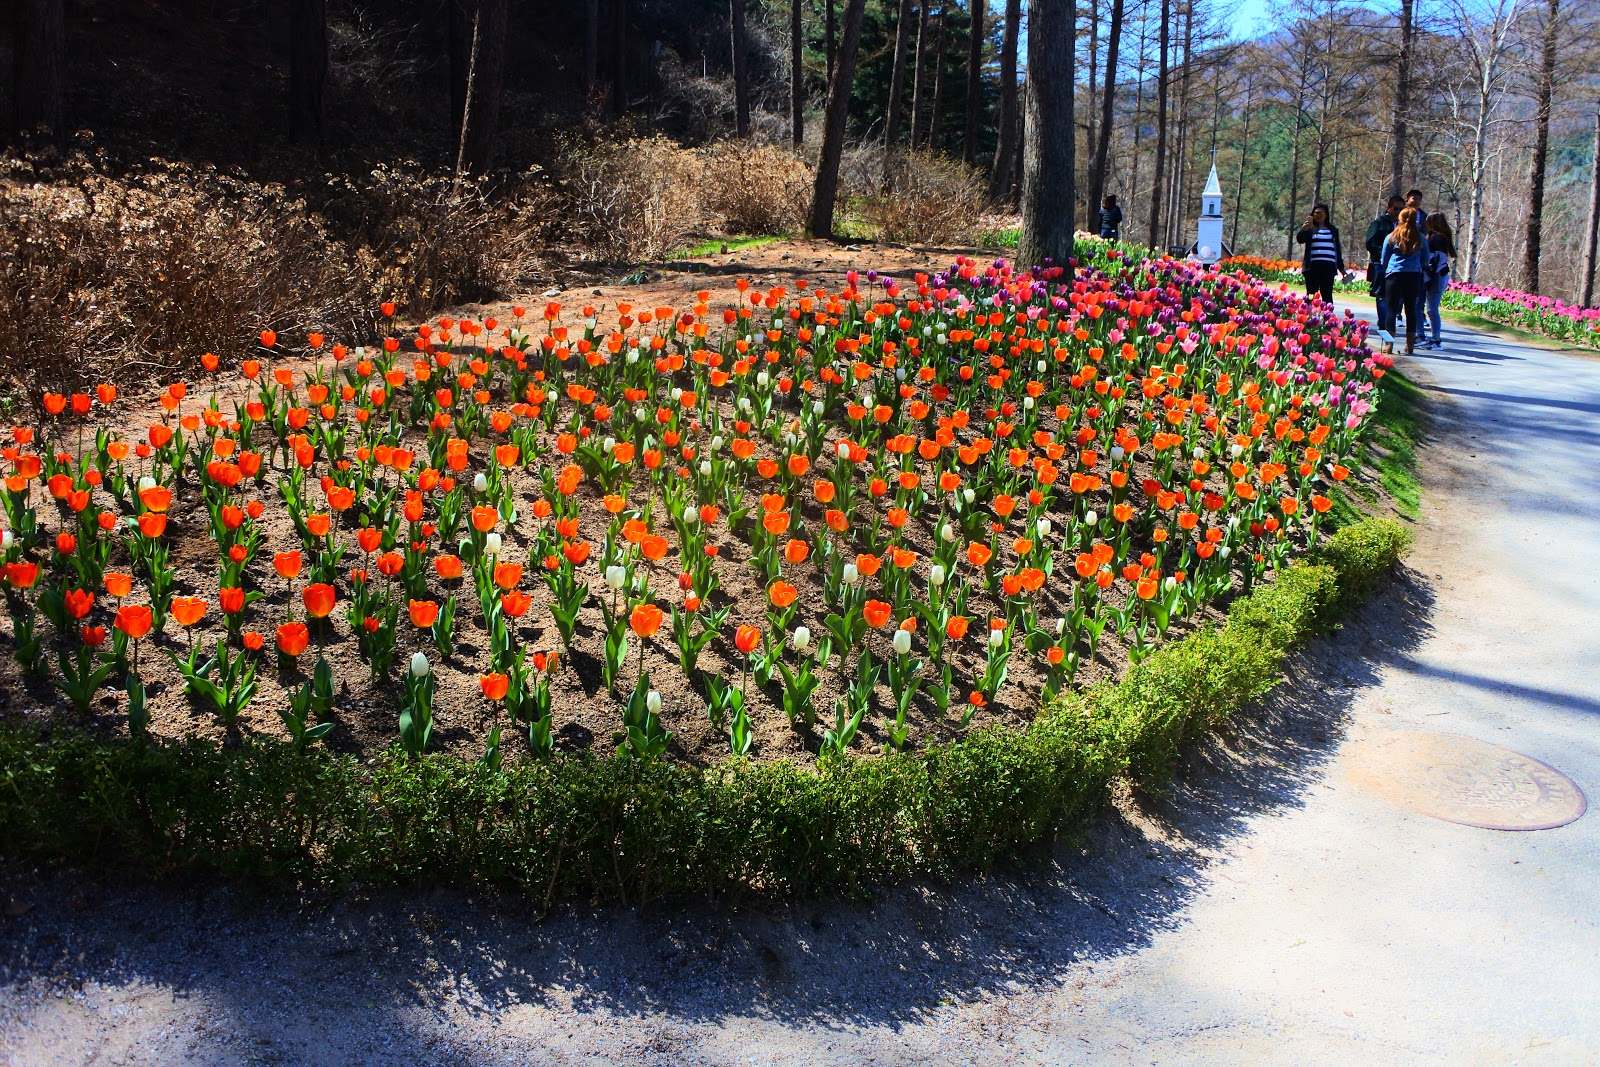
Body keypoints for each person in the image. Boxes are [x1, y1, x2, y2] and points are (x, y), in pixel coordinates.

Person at [1379, 207, 1426, 354]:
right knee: (1410, 309)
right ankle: (1409, 344)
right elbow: (1426, 259)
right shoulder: (1421, 238)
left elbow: (1384, 259)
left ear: (1400, 218)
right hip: (1413, 276)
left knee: (1391, 310)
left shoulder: (1391, 237)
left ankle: (1389, 344)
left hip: (1395, 275)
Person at [1294, 203, 1351, 304]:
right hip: (1312, 267)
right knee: (1311, 295)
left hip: (1328, 267)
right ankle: (1308, 313)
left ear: (1326, 215)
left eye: (1322, 213)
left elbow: (1337, 251)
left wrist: (1342, 270)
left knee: (1327, 295)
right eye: (1316, 214)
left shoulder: (1333, 230)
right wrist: (1304, 230)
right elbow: (1300, 240)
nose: (1319, 216)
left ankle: (1327, 313)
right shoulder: (1310, 229)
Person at [1366, 195, 1404, 324]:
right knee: (1382, 295)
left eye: (1401, 209)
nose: (1398, 212)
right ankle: (1384, 323)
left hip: (1398, 266)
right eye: (1395, 208)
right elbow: (1370, 243)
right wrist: (1384, 253)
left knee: (1397, 296)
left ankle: (1391, 321)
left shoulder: (1404, 227)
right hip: (1381, 264)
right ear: (1388, 208)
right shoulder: (1379, 224)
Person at [1422, 213, 1457, 350]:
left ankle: (1436, 340)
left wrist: (1431, 273)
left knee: (1432, 309)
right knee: (1430, 308)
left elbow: (1439, 259)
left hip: (1437, 277)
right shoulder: (1438, 237)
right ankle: (1434, 338)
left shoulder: (1437, 238)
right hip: (1437, 276)